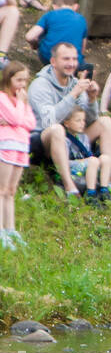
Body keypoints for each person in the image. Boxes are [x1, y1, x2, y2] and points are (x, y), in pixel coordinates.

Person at [28, 41, 111, 197]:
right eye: (66, 59)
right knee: (57, 129)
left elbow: (88, 120)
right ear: (53, 62)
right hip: (44, 139)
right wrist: (73, 95)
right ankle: (69, 187)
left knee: (105, 121)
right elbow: (48, 121)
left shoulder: (74, 83)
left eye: (74, 59)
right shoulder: (40, 85)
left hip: (72, 137)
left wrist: (92, 100)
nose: (71, 64)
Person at [0, 60, 36, 244]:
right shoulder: (3, 98)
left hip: (22, 146)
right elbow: (15, 118)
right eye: (18, 80)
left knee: (12, 190)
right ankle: (1, 230)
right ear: (9, 79)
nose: (22, 85)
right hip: (6, 144)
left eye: (25, 80)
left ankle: (10, 228)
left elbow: (31, 123)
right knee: (2, 188)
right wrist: (20, 109)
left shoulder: (22, 101)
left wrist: (19, 114)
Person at [60, 105, 108, 205]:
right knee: (93, 160)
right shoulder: (64, 140)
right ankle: (90, 194)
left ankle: (104, 191)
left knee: (105, 158)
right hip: (73, 168)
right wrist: (84, 161)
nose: (82, 124)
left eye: (83, 120)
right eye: (78, 121)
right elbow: (64, 162)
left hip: (87, 164)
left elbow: (88, 155)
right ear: (67, 123)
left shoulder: (84, 137)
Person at [25, 0, 87, 64]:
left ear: (54, 6)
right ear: (76, 6)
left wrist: (35, 44)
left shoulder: (50, 15)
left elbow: (29, 37)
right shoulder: (81, 19)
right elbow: (83, 47)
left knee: (44, 32)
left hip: (49, 57)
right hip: (73, 60)